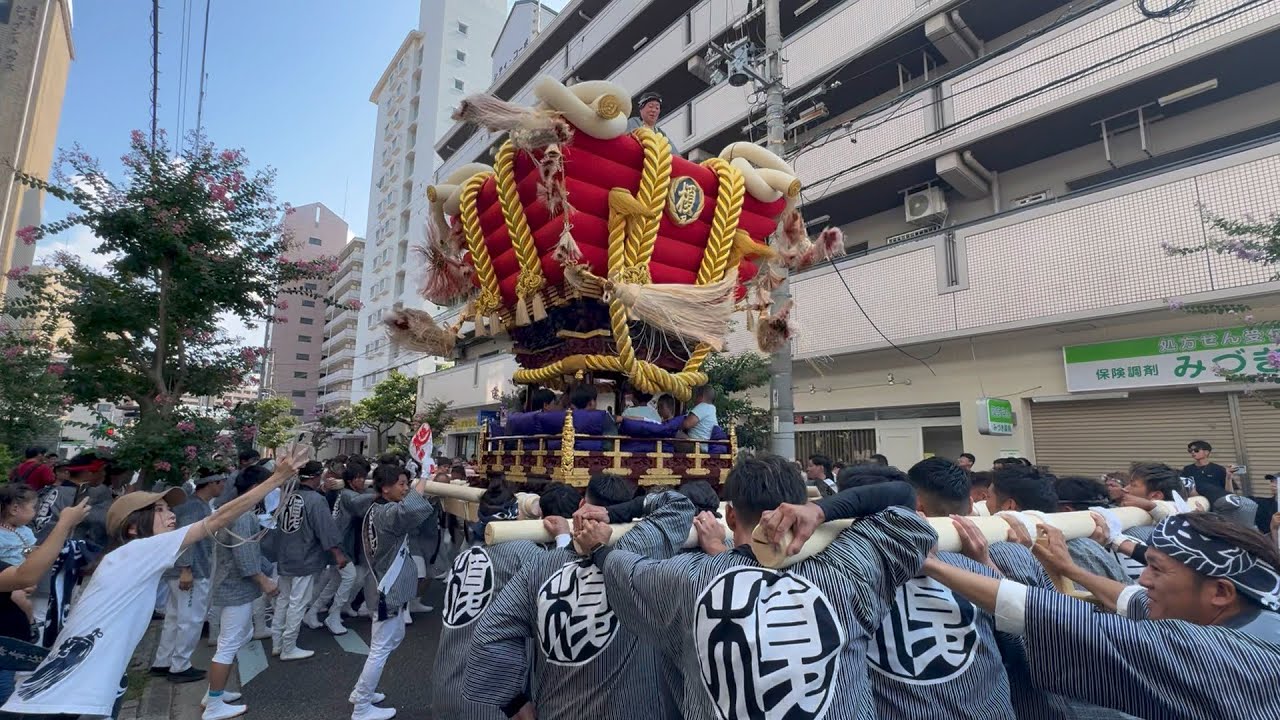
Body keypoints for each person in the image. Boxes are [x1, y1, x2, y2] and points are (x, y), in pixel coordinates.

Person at [576, 454, 935, 720]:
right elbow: (903, 496)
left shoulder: (685, 578)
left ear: (730, 514)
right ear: (800, 504)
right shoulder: (848, 568)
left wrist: (602, 536)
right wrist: (822, 511)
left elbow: (620, 559)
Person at [1, 447, 308, 719]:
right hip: (67, 699)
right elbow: (217, 520)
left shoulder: (125, 557)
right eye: (158, 510)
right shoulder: (140, 550)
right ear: (133, 528)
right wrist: (276, 479)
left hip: (77, 693)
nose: (171, 514)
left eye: (168, 507)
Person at [927, 513, 1280, 719]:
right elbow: (1132, 599)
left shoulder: (1220, 655)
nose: (1143, 578)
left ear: (1220, 591)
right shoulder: (1256, 613)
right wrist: (1069, 569)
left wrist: (930, 562)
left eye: (1157, 569)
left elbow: (1054, 618)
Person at [463, 474, 696, 720]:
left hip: (556, 709)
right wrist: (615, 512)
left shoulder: (539, 566)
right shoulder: (642, 549)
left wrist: (516, 704)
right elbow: (679, 505)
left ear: (582, 507)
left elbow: (488, 635)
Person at [430, 482, 581, 720]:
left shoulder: (465, 556)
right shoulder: (528, 555)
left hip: (446, 682)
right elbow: (564, 587)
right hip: (491, 695)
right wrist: (564, 538)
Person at [349, 464, 438, 720]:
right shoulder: (387, 513)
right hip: (387, 587)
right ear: (385, 487)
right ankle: (362, 706)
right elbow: (411, 509)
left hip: (386, 584)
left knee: (394, 638)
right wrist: (424, 480)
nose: (406, 488)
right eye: (401, 484)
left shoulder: (375, 508)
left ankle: (362, 690)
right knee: (379, 648)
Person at [202, 465, 279, 720]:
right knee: (228, 644)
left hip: (227, 583)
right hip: (235, 588)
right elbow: (245, 557)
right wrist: (264, 581)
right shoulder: (243, 515)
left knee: (235, 639)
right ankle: (213, 704)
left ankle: (213, 693)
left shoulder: (233, 508)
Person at [151, 470, 226, 683]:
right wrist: (186, 569)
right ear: (211, 483)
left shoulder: (194, 504)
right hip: (191, 570)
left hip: (181, 569)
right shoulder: (195, 507)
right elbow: (187, 538)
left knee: (174, 617)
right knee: (190, 619)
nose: (223, 487)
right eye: (221, 482)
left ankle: (163, 661)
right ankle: (180, 665)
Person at [270, 460, 345, 661]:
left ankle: (277, 643)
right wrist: (337, 553)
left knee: (284, 600)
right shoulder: (315, 500)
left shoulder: (287, 496)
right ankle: (288, 646)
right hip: (304, 556)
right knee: (298, 602)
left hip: (285, 553)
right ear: (316, 476)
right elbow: (326, 530)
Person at [310, 462, 373, 635]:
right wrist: (378, 493)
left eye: (363, 477)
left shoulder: (346, 492)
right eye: (358, 477)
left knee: (335, 582)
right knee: (350, 577)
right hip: (339, 545)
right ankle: (334, 613)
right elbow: (359, 504)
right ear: (351, 480)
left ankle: (313, 611)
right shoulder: (347, 495)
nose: (362, 480)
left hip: (340, 544)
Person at [626, 90, 678, 155]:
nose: (653, 110)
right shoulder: (634, 122)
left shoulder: (660, 132)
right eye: (650, 106)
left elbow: (674, 154)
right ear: (641, 109)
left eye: (657, 108)